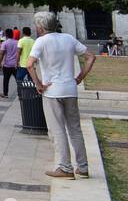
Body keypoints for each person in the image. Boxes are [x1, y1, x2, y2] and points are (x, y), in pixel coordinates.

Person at [27, 11, 96, 179]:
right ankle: (83, 166)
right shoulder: (68, 38)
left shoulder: (41, 42)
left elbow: (29, 64)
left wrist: (39, 85)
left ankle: (65, 167)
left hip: (52, 91)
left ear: (41, 26)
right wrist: (80, 77)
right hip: (70, 89)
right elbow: (90, 57)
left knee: (57, 129)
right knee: (75, 129)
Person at [0, 29, 20, 98]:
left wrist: (0, 63)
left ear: (6, 35)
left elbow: (2, 54)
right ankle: (20, 93)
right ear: (12, 34)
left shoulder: (4, 43)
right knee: (18, 80)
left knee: (6, 80)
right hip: (15, 65)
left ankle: (5, 94)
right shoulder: (17, 42)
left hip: (7, 65)